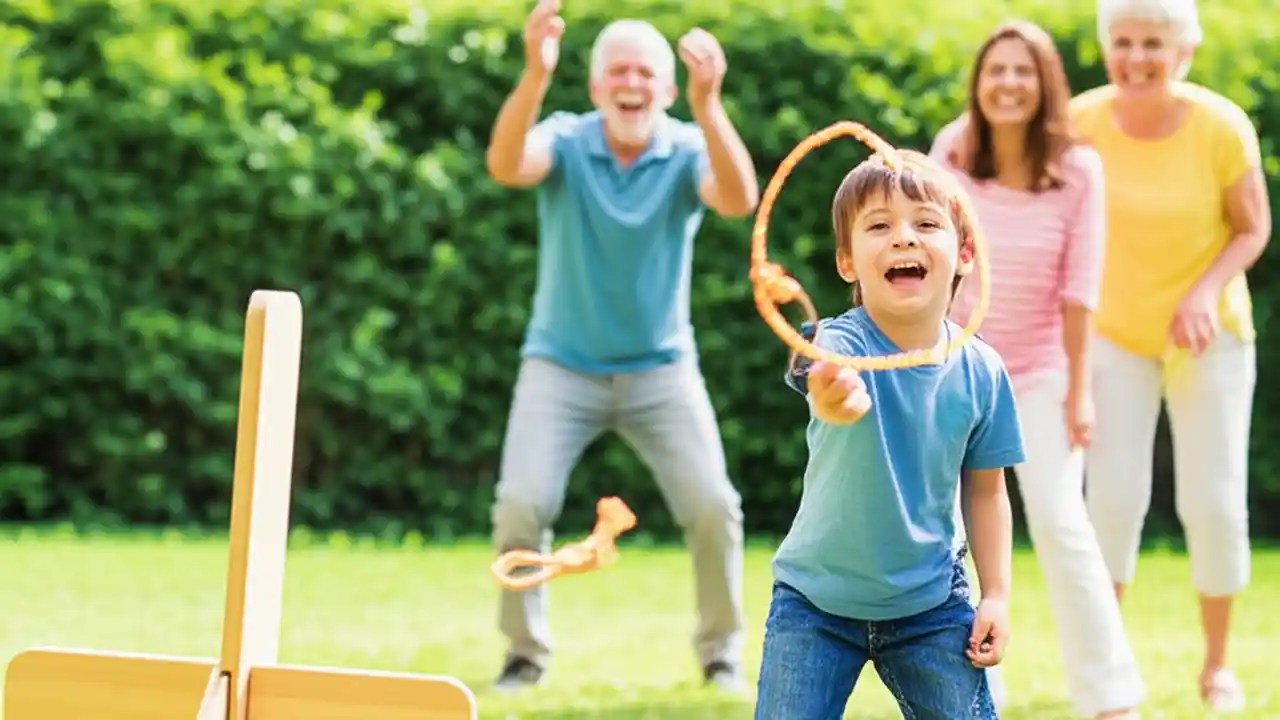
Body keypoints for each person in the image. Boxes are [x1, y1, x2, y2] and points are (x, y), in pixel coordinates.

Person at [482, 0, 760, 694]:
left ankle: (721, 654)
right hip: (560, 366)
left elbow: (737, 199)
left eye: (645, 73)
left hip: (662, 370)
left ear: (666, 91)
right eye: (617, 72)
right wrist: (534, 75)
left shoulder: (688, 146)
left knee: (713, 507)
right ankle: (524, 655)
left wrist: (710, 105)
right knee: (521, 503)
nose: (631, 83)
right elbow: (506, 164)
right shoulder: (567, 139)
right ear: (596, 86)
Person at [753, 149, 1027, 719]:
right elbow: (822, 370)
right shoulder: (837, 342)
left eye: (926, 223)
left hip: (930, 604)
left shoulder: (982, 369)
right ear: (848, 261)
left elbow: (986, 489)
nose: (903, 238)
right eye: (879, 226)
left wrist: (995, 593)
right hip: (815, 604)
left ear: (965, 253)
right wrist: (833, 394)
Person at [929, 20, 1145, 719]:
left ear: (1045, 84)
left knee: (1060, 522)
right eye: (997, 70)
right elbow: (931, 269)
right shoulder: (953, 153)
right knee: (955, 537)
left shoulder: (1079, 167)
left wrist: (1080, 391)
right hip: (957, 369)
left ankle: (1109, 697)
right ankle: (974, 692)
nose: (1009, 84)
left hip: (1041, 373)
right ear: (979, 83)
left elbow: (1081, 286)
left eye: (1024, 71)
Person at [1070, 0, 1272, 712]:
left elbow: (1253, 229)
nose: (1136, 57)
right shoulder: (1079, 122)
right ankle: (1109, 670)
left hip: (1207, 335)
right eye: (1123, 42)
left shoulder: (1221, 126)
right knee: (1112, 504)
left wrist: (1203, 292)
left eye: (1153, 43)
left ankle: (1217, 667)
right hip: (1116, 333)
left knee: (1213, 505)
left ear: (1182, 50)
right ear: (1106, 48)